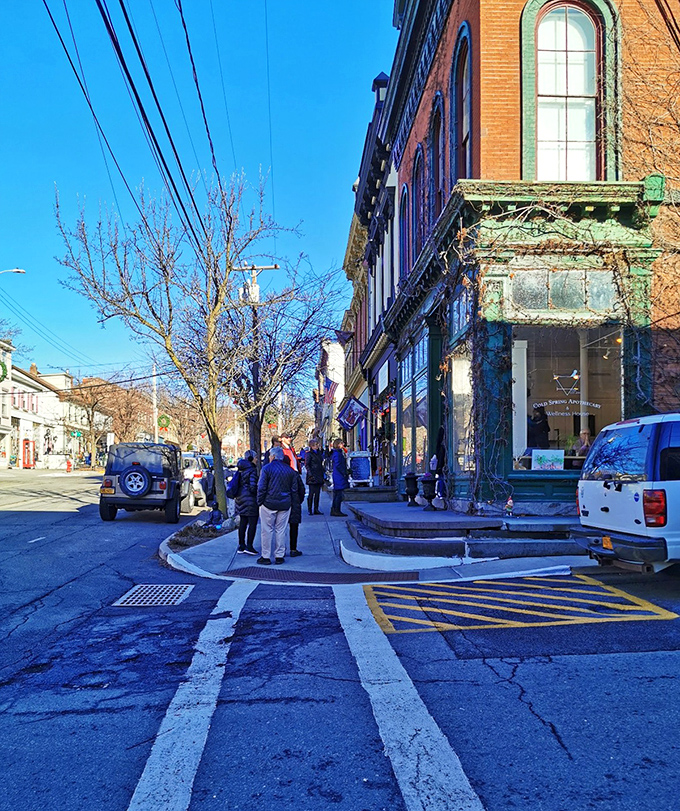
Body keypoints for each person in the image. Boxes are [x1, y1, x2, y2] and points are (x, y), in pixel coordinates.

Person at [257, 446, 298, 565]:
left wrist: (260, 501)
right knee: (281, 530)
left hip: (268, 503)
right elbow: (294, 490)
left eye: (270, 456)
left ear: (273, 456)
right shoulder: (290, 471)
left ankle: (266, 556)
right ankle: (279, 555)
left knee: (267, 530)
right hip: (285, 503)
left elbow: (261, 487)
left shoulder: (266, 469)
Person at [234, 449, 259, 555]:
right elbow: (253, 486)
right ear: (251, 458)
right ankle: (249, 546)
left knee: (243, 523)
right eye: (256, 457)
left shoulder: (241, 469)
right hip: (250, 499)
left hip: (240, 498)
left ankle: (241, 545)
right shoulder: (252, 470)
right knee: (252, 523)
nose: (257, 459)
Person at [288, 468, 306, 557]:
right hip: (294, 502)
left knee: (279, 528)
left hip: (281, 503)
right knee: (294, 527)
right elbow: (301, 489)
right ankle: (293, 549)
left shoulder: (270, 471)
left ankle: (279, 551)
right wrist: (298, 500)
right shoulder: (294, 474)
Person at [305, 437, 325, 515]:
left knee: (317, 494)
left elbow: (321, 462)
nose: (317, 446)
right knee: (311, 493)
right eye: (315, 445)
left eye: (317, 445)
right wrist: (310, 474)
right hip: (312, 475)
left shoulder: (319, 453)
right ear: (312, 446)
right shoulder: (309, 454)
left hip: (319, 474)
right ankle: (310, 509)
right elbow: (307, 465)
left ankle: (316, 509)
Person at [330, 438, 349, 517]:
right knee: (339, 494)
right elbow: (338, 465)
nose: (343, 445)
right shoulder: (337, 454)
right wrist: (344, 472)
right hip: (339, 476)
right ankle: (336, 510)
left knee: (337, 493)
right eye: (341, 443)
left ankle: (334, 509)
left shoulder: (337, 453)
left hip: (338, 475)